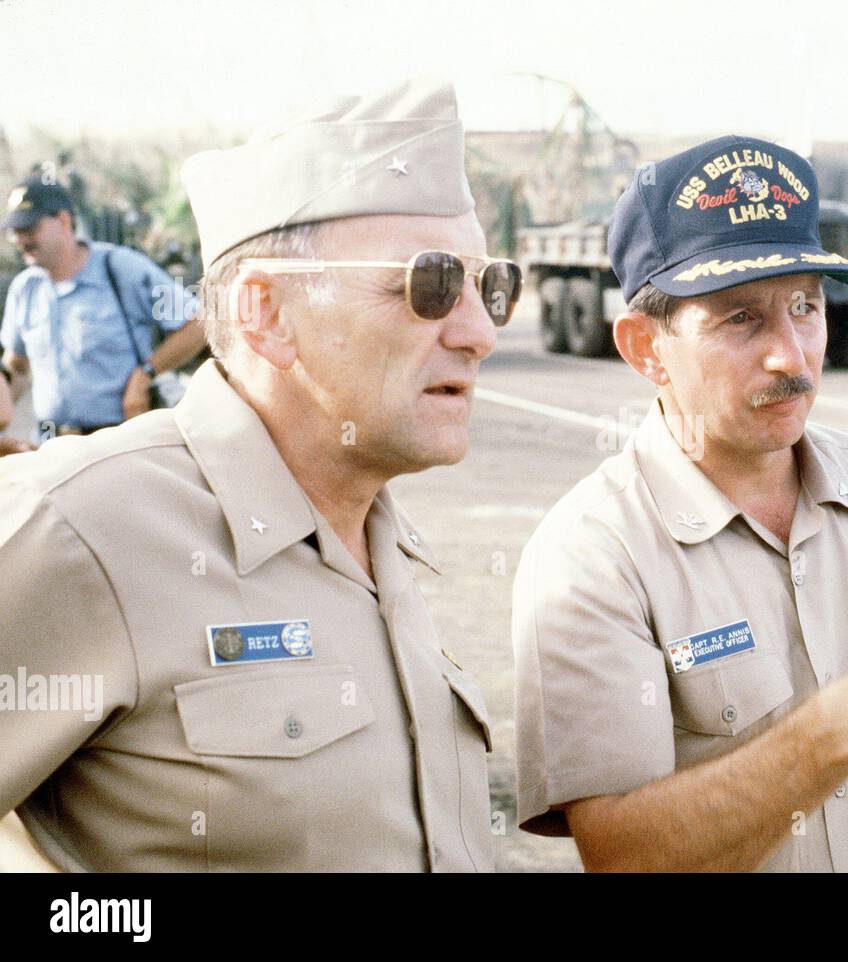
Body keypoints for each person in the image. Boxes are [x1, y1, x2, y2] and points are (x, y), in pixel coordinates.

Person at [0, 76, 521, 871]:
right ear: (267, 313)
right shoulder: (82, 526)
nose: (479, 331)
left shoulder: (376, 534)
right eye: (430, 283)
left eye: (490, 286)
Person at [512, 136, 848, 872]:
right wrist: (841, 727)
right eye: (740, 318)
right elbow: (624, 855)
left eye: (805, 307)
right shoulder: (593, 554)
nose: (791, 355)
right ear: (645, 347)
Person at [1, 176, 205, 440]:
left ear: (63, 220)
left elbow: (197, 324)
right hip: (50, 444)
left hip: (115, 441)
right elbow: (17, 366)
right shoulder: (25, 288)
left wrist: (145, 374)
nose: (20, 240)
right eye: (15, 232)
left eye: (29, 229)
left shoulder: (120, 268)